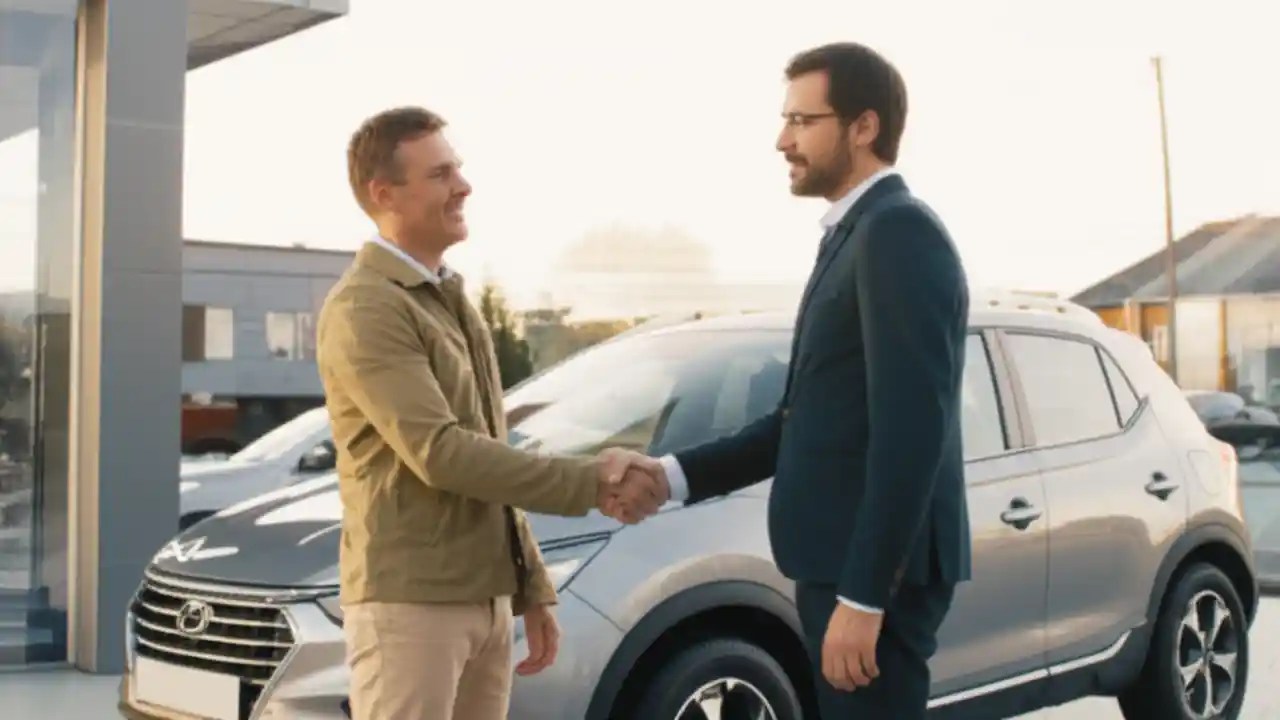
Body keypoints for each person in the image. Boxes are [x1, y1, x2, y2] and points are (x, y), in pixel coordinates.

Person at [612, 43, 971, 718]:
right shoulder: (855, 233)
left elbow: (913, 432)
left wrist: (865, 596)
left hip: (868, 581)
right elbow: (799, 422)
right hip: (837, 568)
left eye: (803, 121)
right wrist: (670, 476)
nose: (783, 140)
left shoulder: (897, 232)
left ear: (863, 127)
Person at [316, 106, 665, 720]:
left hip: (484, 600)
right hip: (414, 607)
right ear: (384, 193)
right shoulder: (366, 307)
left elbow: (489, 447)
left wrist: (529, 582)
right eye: (441, 174)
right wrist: (594, 479)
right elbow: (442, 453)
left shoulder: (448, 297)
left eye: (458, 169)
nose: (463, 186)